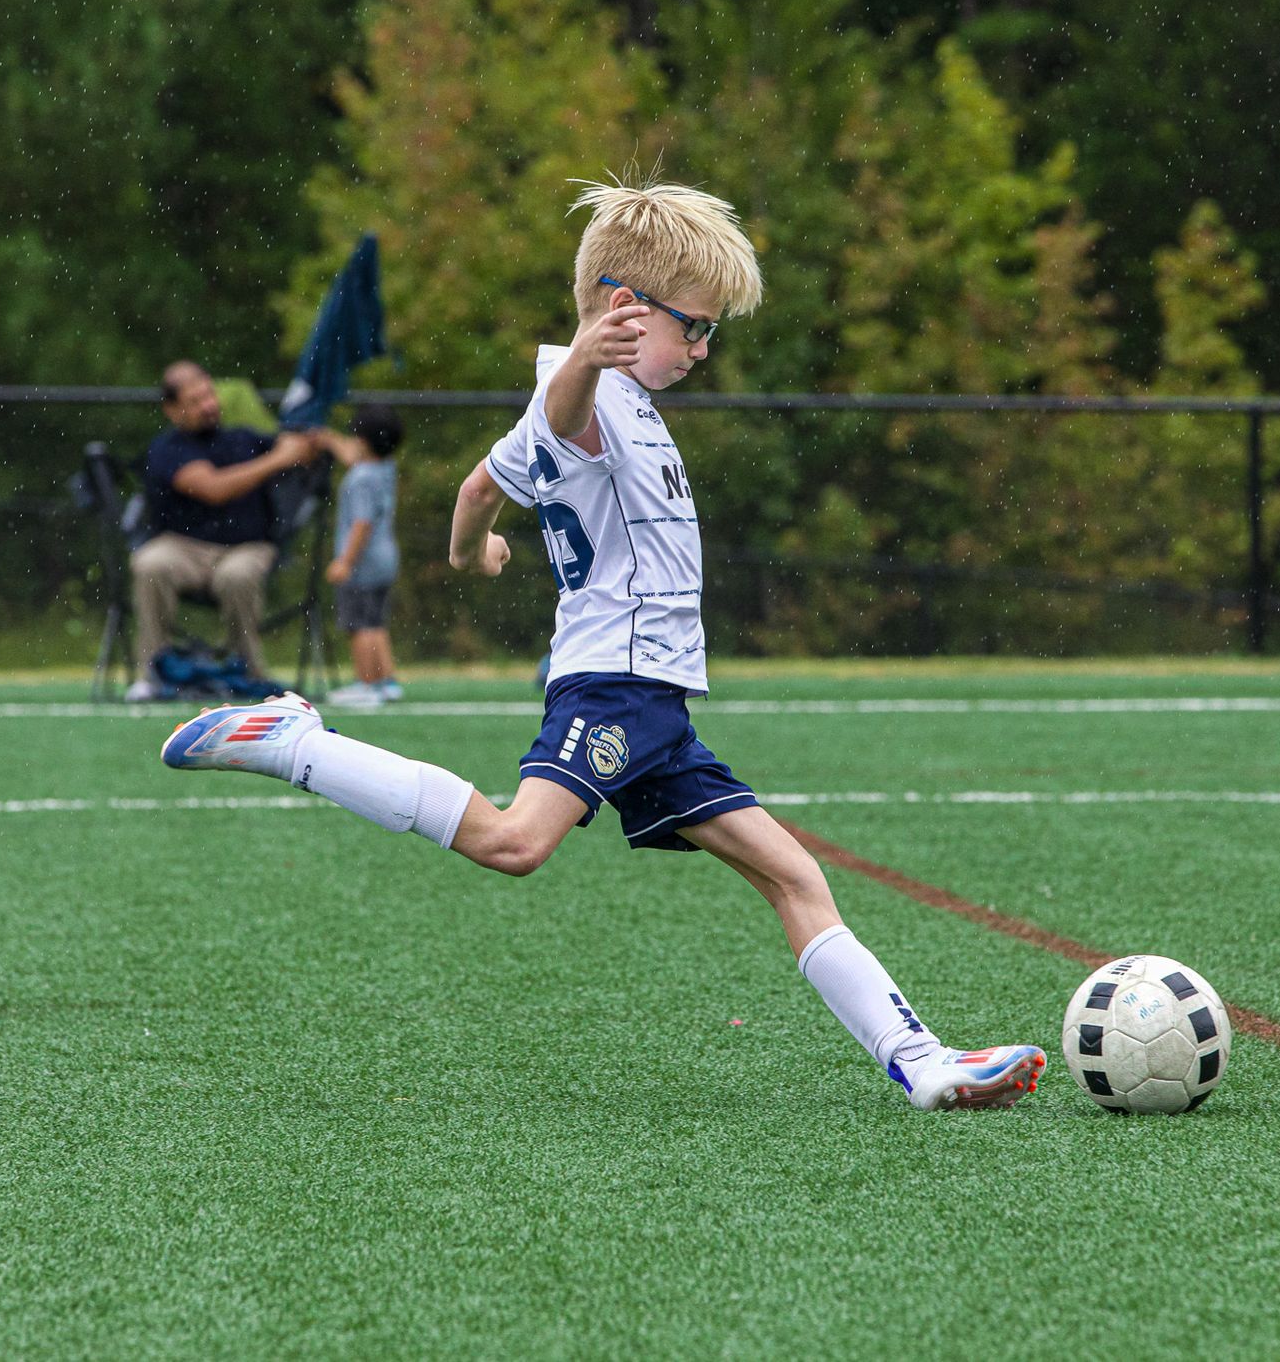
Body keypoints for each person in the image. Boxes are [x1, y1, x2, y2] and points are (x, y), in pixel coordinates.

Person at [159, 179, 1047, 1111]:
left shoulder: (614, 401)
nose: (703, 348)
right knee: (513, 843)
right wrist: (584, 357)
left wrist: (479, 551)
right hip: (613, 687)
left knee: (794, 876)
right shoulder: (584, 392)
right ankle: (295, 743)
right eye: (696, 327)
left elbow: (473, 491)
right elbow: (564, 405)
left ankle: (923, 1065)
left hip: (657, 706)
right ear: (625, 311)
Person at [126, 362, 321, 699]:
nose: (209, 405)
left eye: (209, 395)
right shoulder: (166, 449)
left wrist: (315, 436)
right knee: (149, 562)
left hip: (247, 547)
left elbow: (301, 450)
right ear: (172, 410)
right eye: (196, 400)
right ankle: (154, 673)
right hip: (183, 548)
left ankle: (247, 670)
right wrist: (277, 459)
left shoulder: (243, 438)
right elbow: (213, 488)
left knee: (237, 575)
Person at [323, 403, 404, 709]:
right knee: (376, 622)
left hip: (363, 562)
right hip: (386, 557)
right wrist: (329, 440)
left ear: (363, 441)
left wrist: (345, 561)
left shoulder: (358, 479)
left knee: (359, 625)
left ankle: (366, 683)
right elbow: (353, 456)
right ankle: (387, 681)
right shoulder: (384, 468)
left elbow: (361, 523)